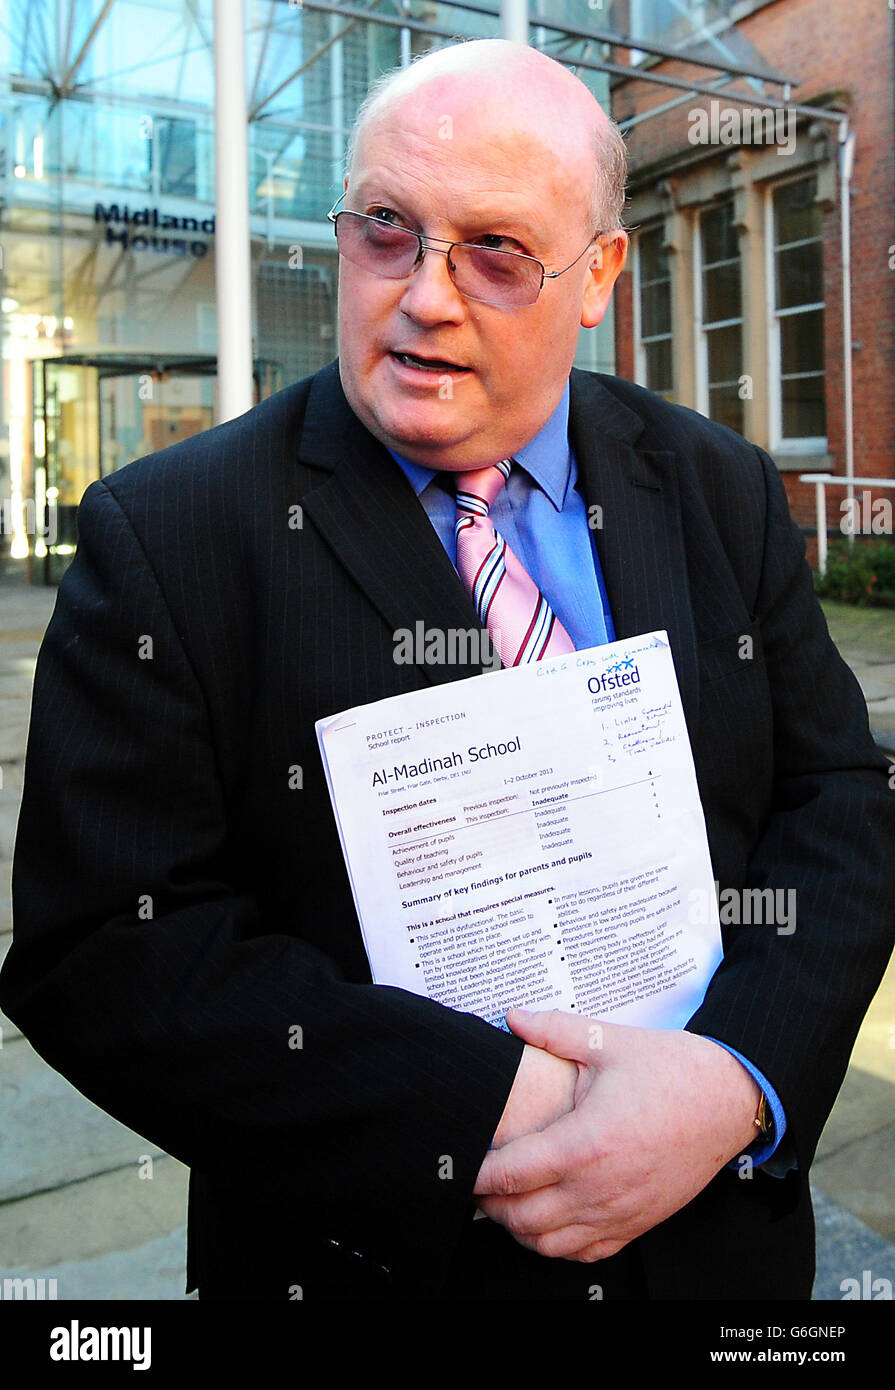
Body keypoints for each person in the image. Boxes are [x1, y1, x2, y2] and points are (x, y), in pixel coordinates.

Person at [2, 38, 893, 1303]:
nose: (425, 294)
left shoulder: (715, 486)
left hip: (717, 1263)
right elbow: (106, 950)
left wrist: (733, 1077)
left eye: (495, 252)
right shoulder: (173, 533)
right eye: (386, 229)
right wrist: (500, 1104)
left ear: (598, 277)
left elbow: (838, 804)